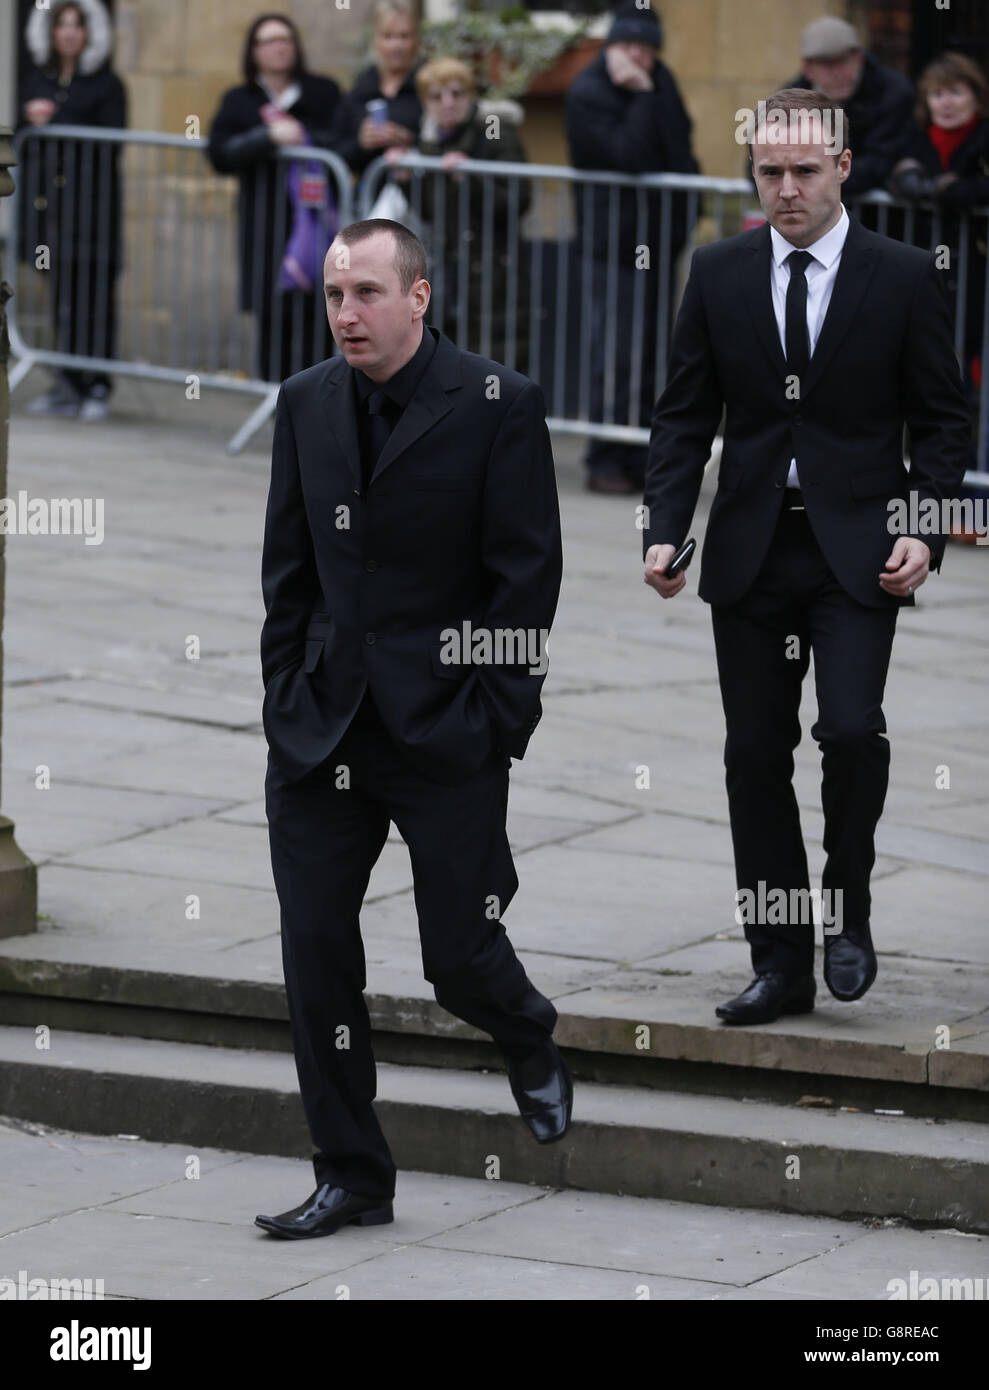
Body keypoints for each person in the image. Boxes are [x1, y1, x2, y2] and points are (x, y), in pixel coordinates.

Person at [255, 219, 569, 1239]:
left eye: (367, 293)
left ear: (418, 297)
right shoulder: (305, 401)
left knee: (459, 956)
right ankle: (352, 1174)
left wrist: (495, 718)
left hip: (445, 728)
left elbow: (525, 577)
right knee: (314, 955)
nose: (345, 313)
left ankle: (525, 1029)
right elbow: (288, 571)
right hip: (322, 728)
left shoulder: (497, 403)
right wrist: (285, 689)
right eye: (334, 294)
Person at [642, 89, 970, 1027]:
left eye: (803, 171)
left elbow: (943, 422)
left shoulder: (901, 275)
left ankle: (848, 906)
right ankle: (779, 960)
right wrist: (663, 526)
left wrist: (924, 528)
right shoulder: (719, 271)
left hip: (859, 548)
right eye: (768, 172)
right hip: (750, 546)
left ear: (842, 169)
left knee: (851, 731)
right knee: (753, 755)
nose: (785, 189)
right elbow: (683, 416)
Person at [566, 0, 699, 494]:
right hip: (612, 246)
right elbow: (630, 155)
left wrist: (683, 222)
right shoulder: (589, 91)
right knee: (615, 356)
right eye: (627, 45)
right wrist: (642, 96)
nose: (638, 56)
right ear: (610, 46)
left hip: (658, 242)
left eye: (646, 47)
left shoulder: (663, 82)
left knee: (650, 354)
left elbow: (680, 150)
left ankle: (642, 456)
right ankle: (605, 459)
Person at [207, 13, 341, 384]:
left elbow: (345, 144)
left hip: (317, 226)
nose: (279, 47)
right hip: (264, 225)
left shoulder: (322, 93)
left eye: (285, 39)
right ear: (254, 51)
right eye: (269, 40)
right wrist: (266, 138)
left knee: (319, 317)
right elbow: (219, 154)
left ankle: (319, 403)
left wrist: (302, 135)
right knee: (272, 319)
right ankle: (277, 400)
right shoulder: (240, 100)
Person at [888, 52, 989, 540]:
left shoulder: (982, 139)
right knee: (937, 392)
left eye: (956, 92)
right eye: (937, 93)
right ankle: (941, 506)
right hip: (930, 286)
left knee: (972, 394)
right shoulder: (916, 140)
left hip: (977, 286)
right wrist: (916, 182)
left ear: (976, 97)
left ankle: (976, 504)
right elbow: (891, 175)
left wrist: (950, 190)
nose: (945, 103)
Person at [18, 0, 126, 421]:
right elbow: (24, 141)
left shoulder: (107, 84)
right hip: (50, 210)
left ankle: (96, 384)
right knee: (61, 297)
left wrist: (55, 119)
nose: (68, 33)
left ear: (88, 33)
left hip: (93, 209)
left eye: (76, 25)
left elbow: (111, 142)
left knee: (94, 298)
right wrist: (31, 122)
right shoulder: (37, 80)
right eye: (61, 25)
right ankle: (67, 383)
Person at [389, 56, 531, 371]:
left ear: (470, 95)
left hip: (495, 267)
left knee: (495, 364)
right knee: (450, 363)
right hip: (451, 266)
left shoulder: (495, 130)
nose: (448, 103)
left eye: (457, 93)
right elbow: (432, 212)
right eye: (437, 96)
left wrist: (470, 179)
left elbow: (518, 201)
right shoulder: (431, 140)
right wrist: (406, 181)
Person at [790, 16, 914, 201]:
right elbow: (763, 160)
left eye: (844, 61)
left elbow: (881, 162)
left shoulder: (893, 92)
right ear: (808, 69)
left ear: (860, 58)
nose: (838, 73)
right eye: (826, 65)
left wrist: (807, 179)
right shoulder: (791, 99)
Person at [330, 0, 422, 177]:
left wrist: (411, 142)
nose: (396, 46)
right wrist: (361, 143)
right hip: (371, 190)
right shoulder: (360, 89)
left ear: (416, 40)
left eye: (404, 36)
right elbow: (337, 151)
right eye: (388, 36)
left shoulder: (428, 85)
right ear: (376, 40)